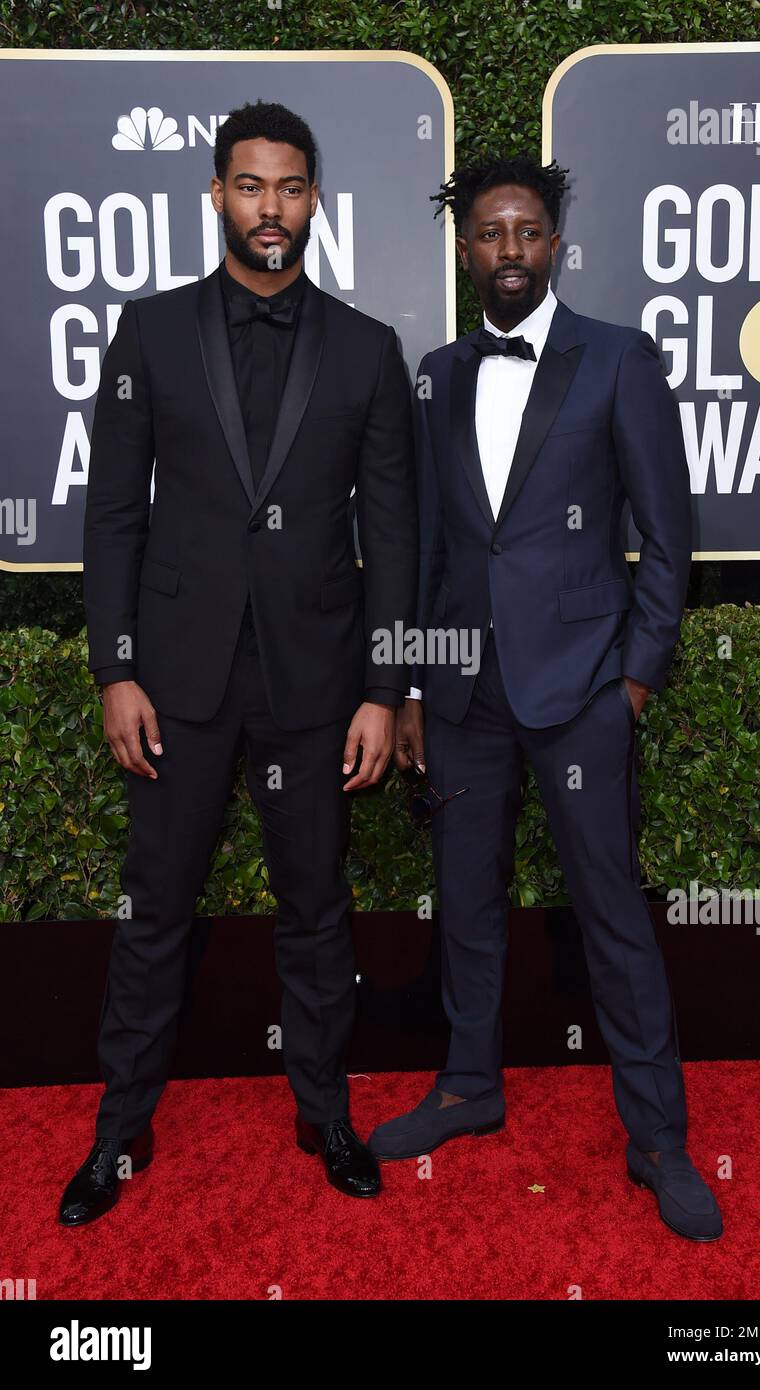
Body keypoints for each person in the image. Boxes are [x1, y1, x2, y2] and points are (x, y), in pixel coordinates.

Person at [59, 100, 417, 1224]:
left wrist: (383, 685)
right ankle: (119, 1131)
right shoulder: (149, 334)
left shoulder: (367, 349)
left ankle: (324, 1112)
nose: (273, 208)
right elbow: (113, 511)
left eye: (292, 188)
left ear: (315, 200)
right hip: (175, 679)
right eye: (251, 186)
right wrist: (116, 666)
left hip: (316, 684)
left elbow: (396, 535)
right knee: (155, 907)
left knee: (316, 908)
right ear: (217, 193)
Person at [370, 156, 722, 1242]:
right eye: (489, 233)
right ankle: (470, 1084)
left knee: (613, 918)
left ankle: (657, 1135)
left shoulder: (618, 359)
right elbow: (428, 543)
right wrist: (422, 680)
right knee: (465, 907)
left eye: (526, 230)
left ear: (553, 245)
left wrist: (634, 680)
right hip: (466, 691)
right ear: (466, 250)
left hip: (582, 694)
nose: (509, 248)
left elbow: (670, 539)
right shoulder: (435, 374)